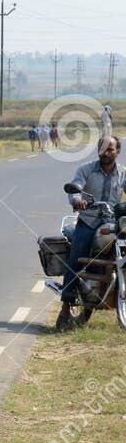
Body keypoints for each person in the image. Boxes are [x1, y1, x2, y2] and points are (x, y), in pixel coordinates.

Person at [57, 135, 125, 327]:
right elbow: (75, 189)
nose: (106, 152)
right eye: (103, 149)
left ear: (118, 152)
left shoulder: (123, 173)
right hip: (89, 221)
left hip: (112, 223)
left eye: (110, 149)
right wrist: (77, 200)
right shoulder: (86, 170)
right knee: (76, 259)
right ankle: (65, 306)